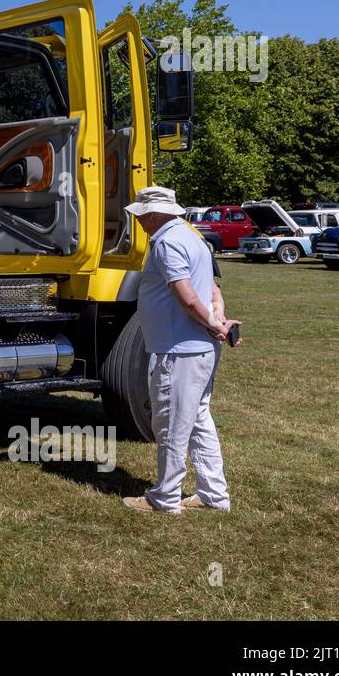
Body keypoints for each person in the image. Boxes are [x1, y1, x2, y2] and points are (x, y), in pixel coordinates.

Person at [121, 186, 239, 514]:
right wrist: (219, 320)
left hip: (179, 351)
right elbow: (213, 291)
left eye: (143, 216)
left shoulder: (167, 241)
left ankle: (165, 498)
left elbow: (186, 295)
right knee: (198, 419)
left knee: (171, 422)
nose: (141, 222)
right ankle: (214, 495)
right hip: (198, 348)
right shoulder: (193, 238)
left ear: (157, 214)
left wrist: (215, 324)